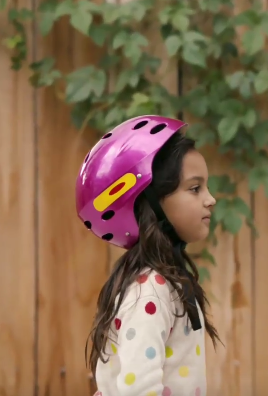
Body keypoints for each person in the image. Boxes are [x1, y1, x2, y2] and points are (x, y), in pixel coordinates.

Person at [75, 115, 220, 396]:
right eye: (195, 188)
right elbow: (138, 390)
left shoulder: (166, 284)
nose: (210, 198)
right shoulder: (150, 291)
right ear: (151, 203)